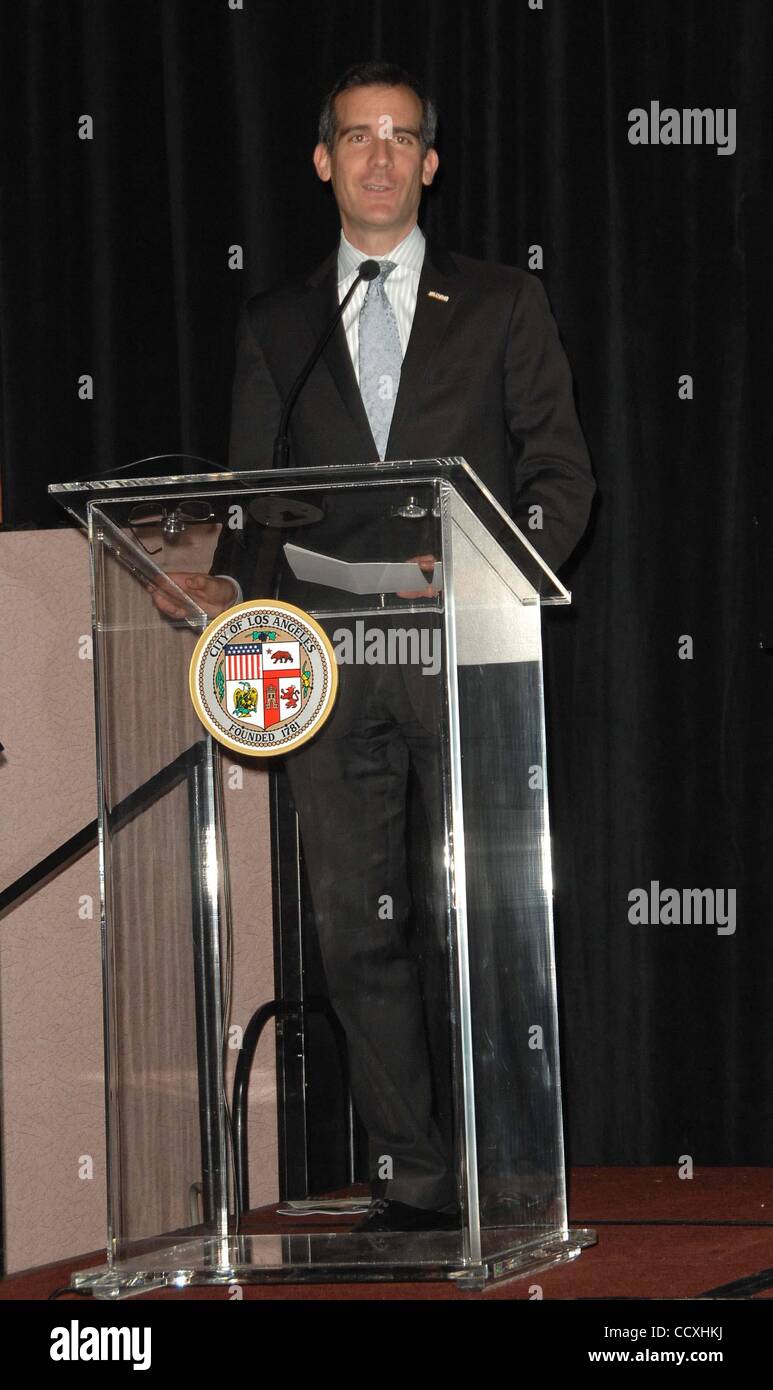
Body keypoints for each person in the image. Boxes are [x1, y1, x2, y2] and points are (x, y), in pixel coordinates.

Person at [153, 61, 595, 1232]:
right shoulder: (280, 324)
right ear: (322, 161)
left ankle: (511, 1156)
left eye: (402, 138)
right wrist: (227, 590)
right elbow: (257, 503)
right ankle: (413, 1169)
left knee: (483, 914)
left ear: (431, 161)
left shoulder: (501, 302)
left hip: (466, 642)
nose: (381, 157)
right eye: (358, 138)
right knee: (358, 924)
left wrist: (505, 565)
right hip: (327, 653)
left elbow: (559, 473)